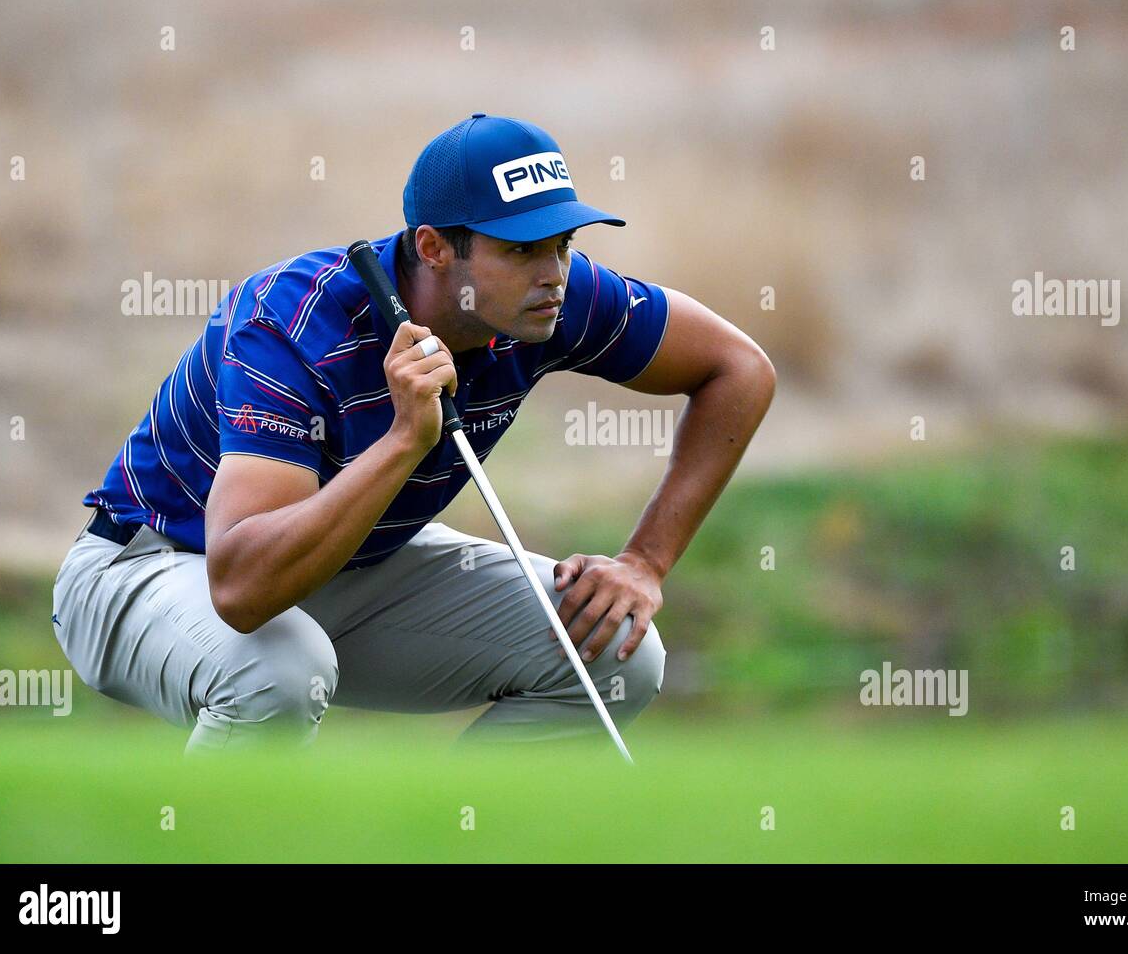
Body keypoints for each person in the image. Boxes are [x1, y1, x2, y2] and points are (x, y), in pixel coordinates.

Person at [51, 113, 775, 752]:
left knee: (617, 654)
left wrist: (645, 561)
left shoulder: (553, 299)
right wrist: (404, 440)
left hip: (344, 565)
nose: (554, 273)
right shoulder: (295, 324)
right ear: (433, 248)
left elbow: (738, 371)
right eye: (521, 250)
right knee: (277, 670)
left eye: (562, 244)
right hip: (152, 566)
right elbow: (241, 587)